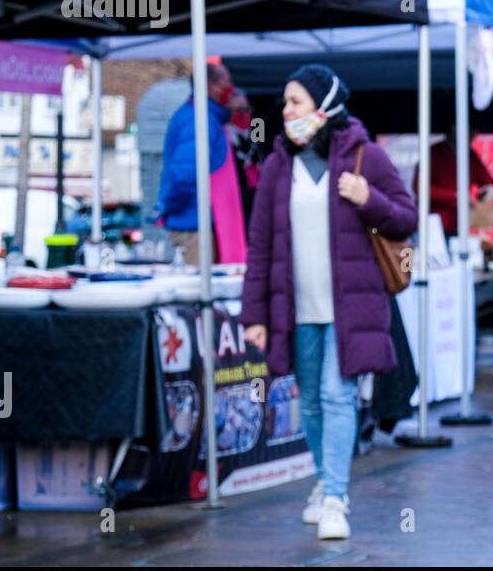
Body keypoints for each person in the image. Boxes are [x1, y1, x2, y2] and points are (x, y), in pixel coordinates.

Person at [240, 64, 416, 540]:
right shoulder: (277, 165)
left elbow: (405, 219)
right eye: (285, 102)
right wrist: (254, 315)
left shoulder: (367, 157)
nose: (286, 111)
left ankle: (336, 497)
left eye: (295, 101)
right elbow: (260, 247)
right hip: (296, 309)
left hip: (350, 308)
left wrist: (368, 198)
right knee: (312, 402)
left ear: (324, 106)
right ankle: (324, 479)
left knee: (339, 397)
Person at [156, 61, 247, 264]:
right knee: (200, 291)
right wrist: (172, 208)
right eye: (227, 82)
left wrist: (244, 114)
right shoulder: (199, 119)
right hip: (194, 224)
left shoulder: (210, 118)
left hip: (200, 222)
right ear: (212, 85)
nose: (231, 89)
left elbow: (254, 138)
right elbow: (185, 174)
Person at [416, 128, 493, 238]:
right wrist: (455, 195)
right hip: (433, 226)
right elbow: (420, 188)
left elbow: (491, 184)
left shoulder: (470, 155)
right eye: (471, 129)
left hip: (461, 225)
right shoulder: (434, 153)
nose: (474, 134)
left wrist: (491, 189)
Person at [224, 87, 261, 225]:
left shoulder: (257, 125)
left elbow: (258, 151)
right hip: (234, 194)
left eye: (246, 109)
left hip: (254, 189)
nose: (243, 114)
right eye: (238, 110)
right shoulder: (223, 132)